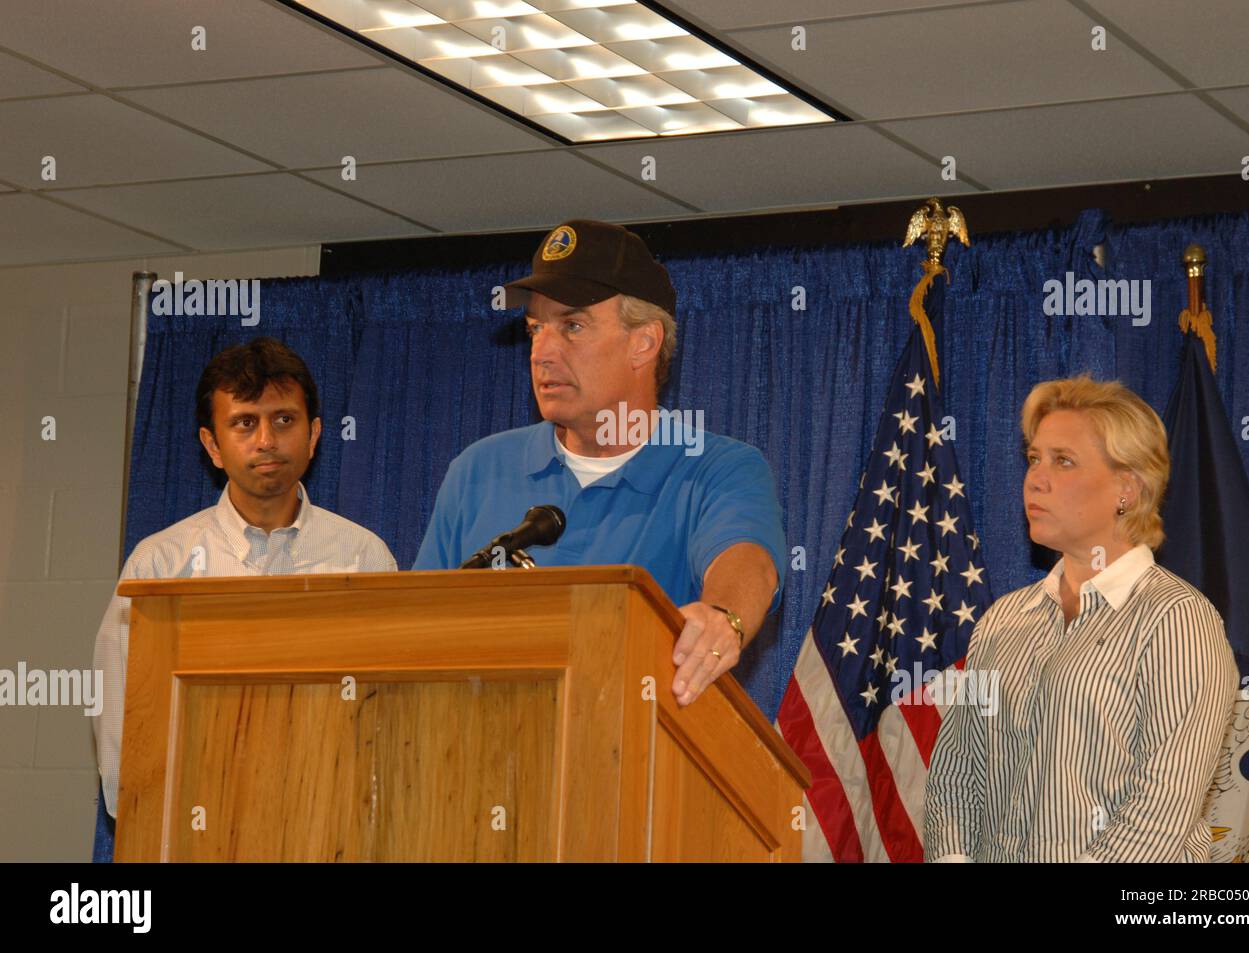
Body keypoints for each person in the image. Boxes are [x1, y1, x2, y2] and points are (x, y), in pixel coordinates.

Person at [413, 219, 785, 708]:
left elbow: (747, 562)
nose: (542, 353)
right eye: (535, 329)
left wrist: (723, 616)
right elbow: (413, 630)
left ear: (644, 343)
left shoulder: (716, 468)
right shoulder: (478, 472)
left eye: (572, 326)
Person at [923, 373, 1237, 862]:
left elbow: (1162, 807)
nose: (1036, 478)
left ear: (1127, 490)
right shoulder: (1002, 621)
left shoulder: (1178, 620)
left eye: (1063, 461)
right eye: (1034, 458)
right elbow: (958, 775)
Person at [92, 337, 396, 819]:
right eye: (244, 423)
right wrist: (143, 815)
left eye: (283, 419)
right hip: (194, 824)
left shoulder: (364, 557)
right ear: (212, 445)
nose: (266, 440)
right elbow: (120, 723)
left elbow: (387, 715)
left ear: (314, 434)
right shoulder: (160, 566)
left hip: (332, 823)